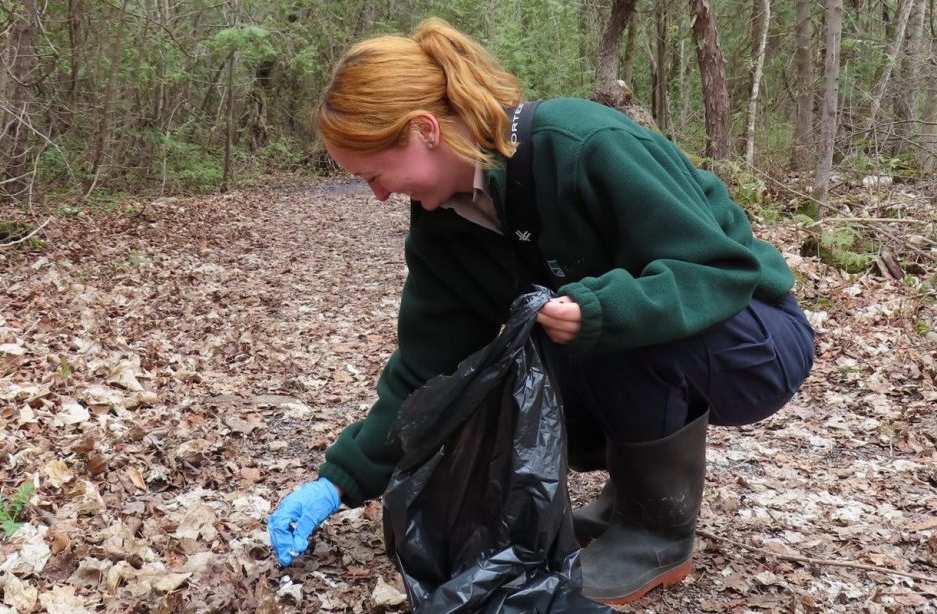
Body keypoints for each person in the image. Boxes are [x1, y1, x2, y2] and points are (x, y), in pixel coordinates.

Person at [267, 18, 816, 606]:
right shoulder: (441, 225)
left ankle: (657, 532)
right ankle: (631, 495)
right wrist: (338, 481)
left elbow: (721, 268)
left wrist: (603, 308)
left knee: (599, 321)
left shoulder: (581, 143)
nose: (376, 195)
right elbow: (427, 367)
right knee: (506, 368)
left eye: (375, 175)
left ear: (424, 130)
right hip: (643, 358)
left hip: (753, 342)